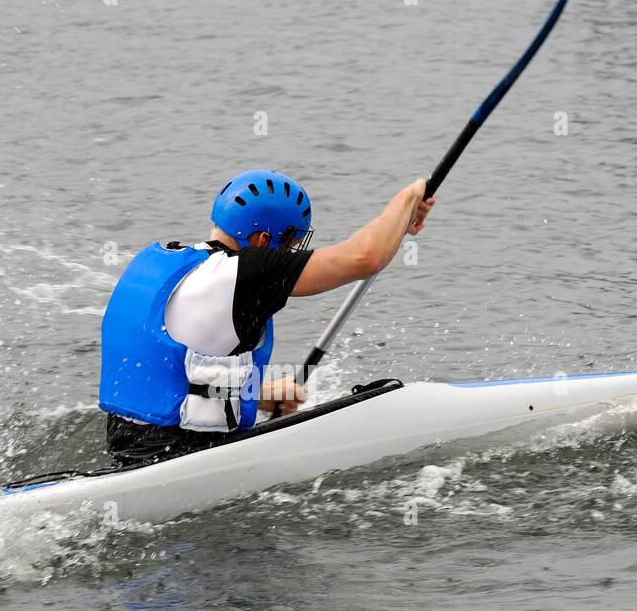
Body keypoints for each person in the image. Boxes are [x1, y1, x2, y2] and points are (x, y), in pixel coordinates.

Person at [98, 169, 435, 466]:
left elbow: (170, 369)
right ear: (262, 240)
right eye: (288, 245)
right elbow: (366, 257)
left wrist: (259, 394)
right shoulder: (249, 272)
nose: (289, 255)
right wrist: (407, 199)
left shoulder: (162, 261)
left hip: (127, 441)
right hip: (180, 450)